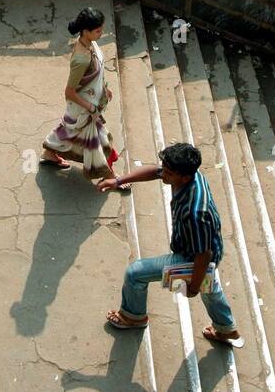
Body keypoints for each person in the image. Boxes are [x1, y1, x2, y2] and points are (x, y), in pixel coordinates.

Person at [100, 141, 243, 345]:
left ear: (184, 177)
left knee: (135, 274)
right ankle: (226, 328)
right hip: (198, 246)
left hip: (193, 257)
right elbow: (155, 172)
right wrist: (118, 181)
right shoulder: (190, 174)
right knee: (209, 287)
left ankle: (133, 317)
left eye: (168, 173)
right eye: (164, 169)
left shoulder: (196, 213)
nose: (162, 175)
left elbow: (204, 255)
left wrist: (192, 286)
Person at [41, 7, 117, 180]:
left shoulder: (91, 44)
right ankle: (108, 175)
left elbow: (98, 70)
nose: (101, 33)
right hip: (83, 107)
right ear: (86, 31)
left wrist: (105, 87)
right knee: (98, 141)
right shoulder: (81, 58)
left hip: (89, 104)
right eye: (98, 31)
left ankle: (49, 152)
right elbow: (69, 91)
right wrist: (89, 107)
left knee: (70, 131)